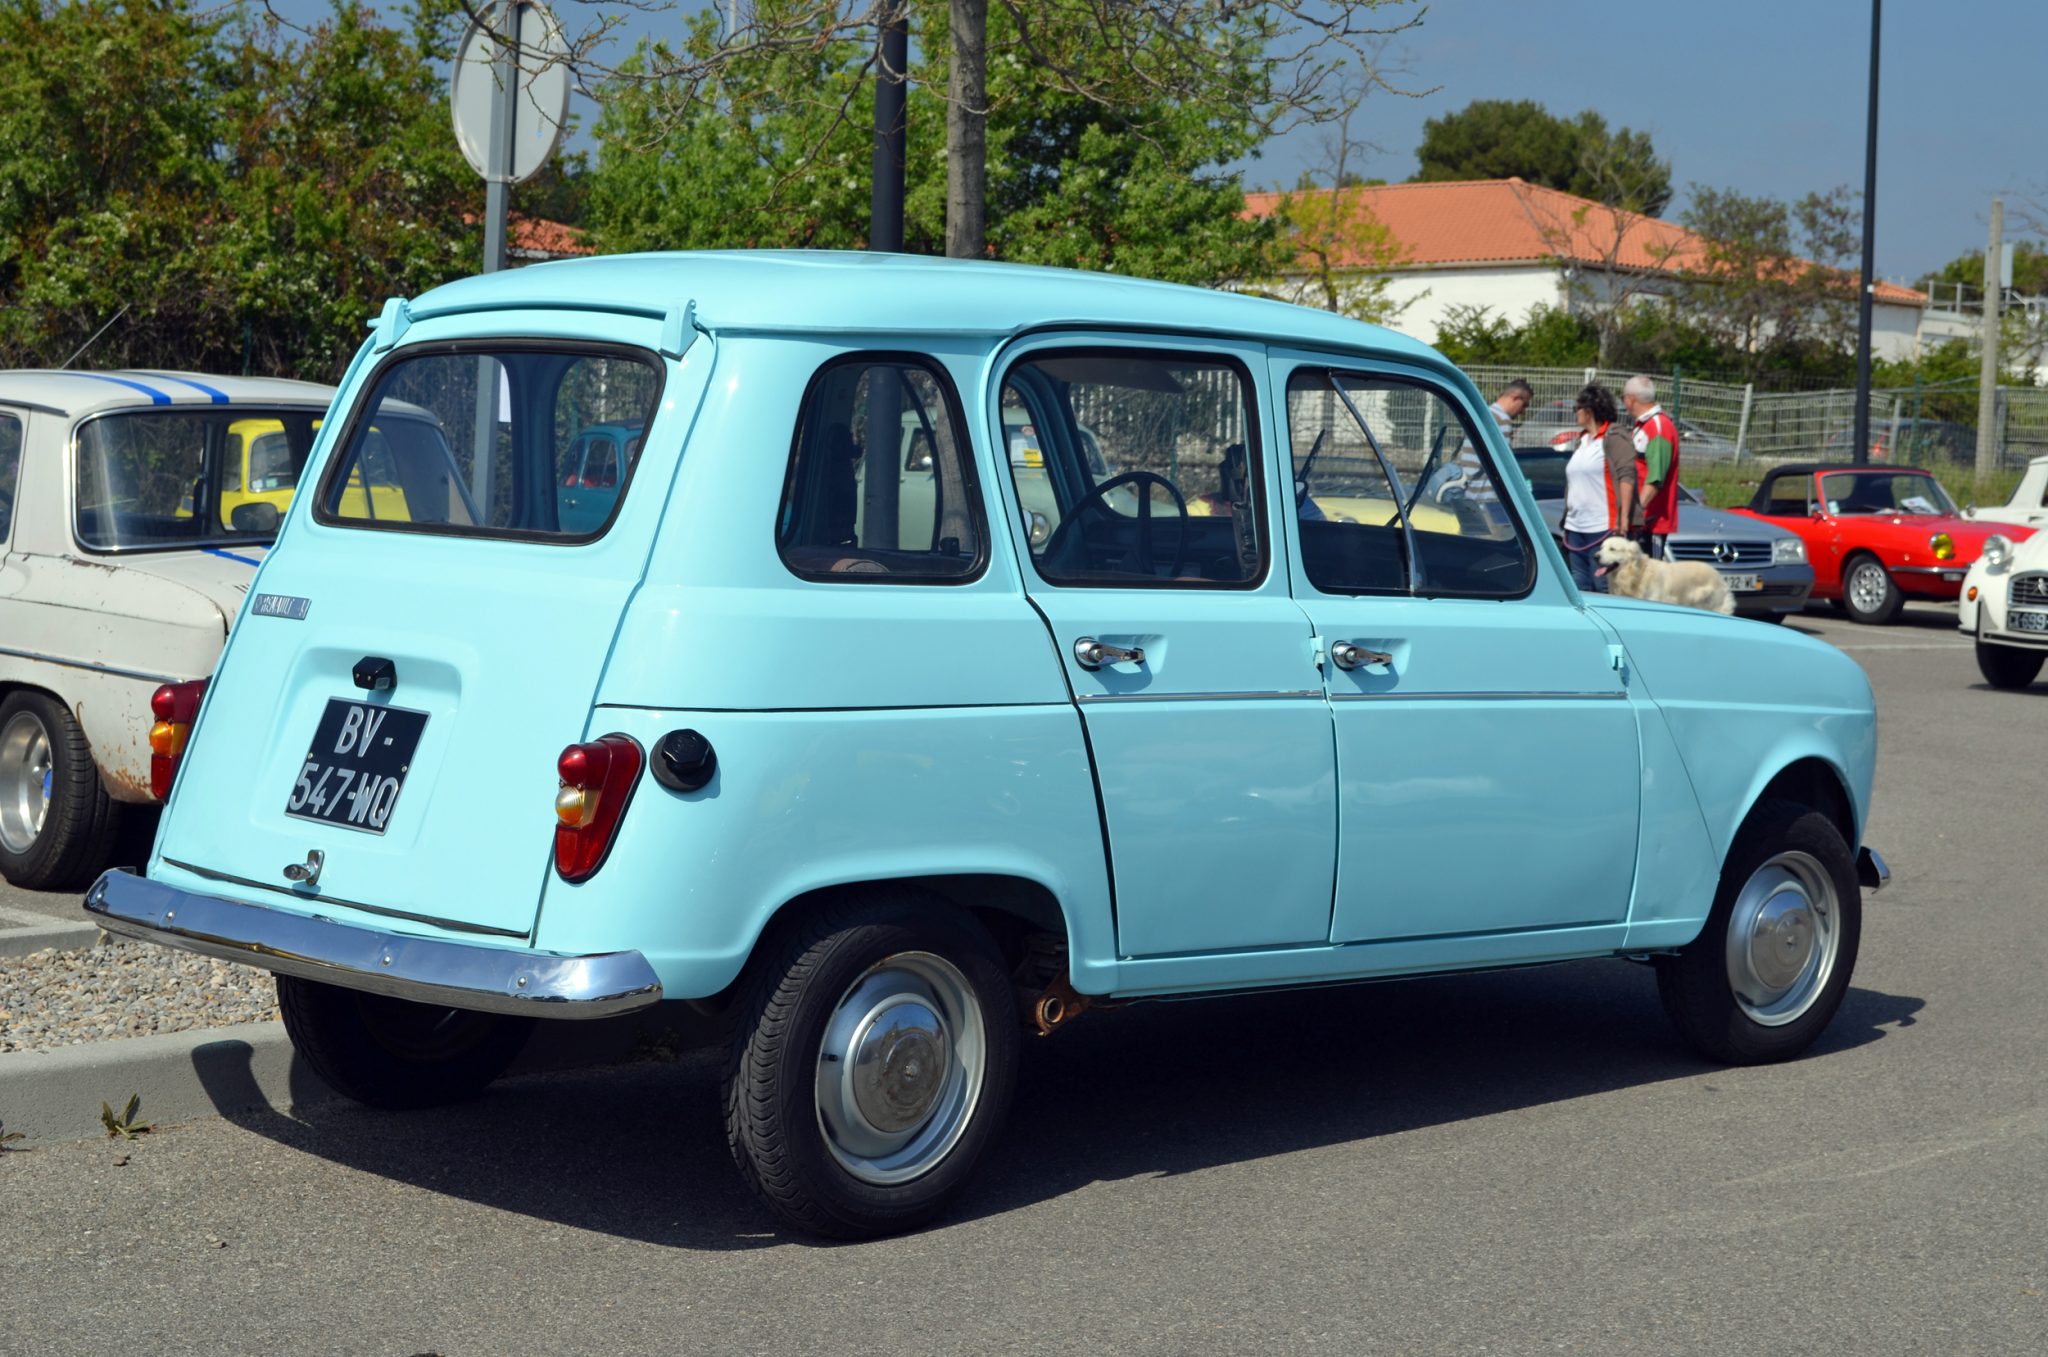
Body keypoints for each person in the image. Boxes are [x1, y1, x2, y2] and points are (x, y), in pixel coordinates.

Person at [1561, 384, 1637, 593]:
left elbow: (1626, 475)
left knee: (1603, 585)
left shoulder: (1614, 437)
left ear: (1590, 410)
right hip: (1575, 526)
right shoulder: (1582, 441)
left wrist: (1623, 519)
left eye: (1577, 408)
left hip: (1603, 526)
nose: (1575, 413)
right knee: (1579, 585)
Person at [1623, 375, 1680, 559]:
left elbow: (1656, 478)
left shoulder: (1658, 426)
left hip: (1651, 523)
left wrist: (1636, 513)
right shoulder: (1644, 426)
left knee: (1650, 582)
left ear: (1631, 399)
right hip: (1639, 522)